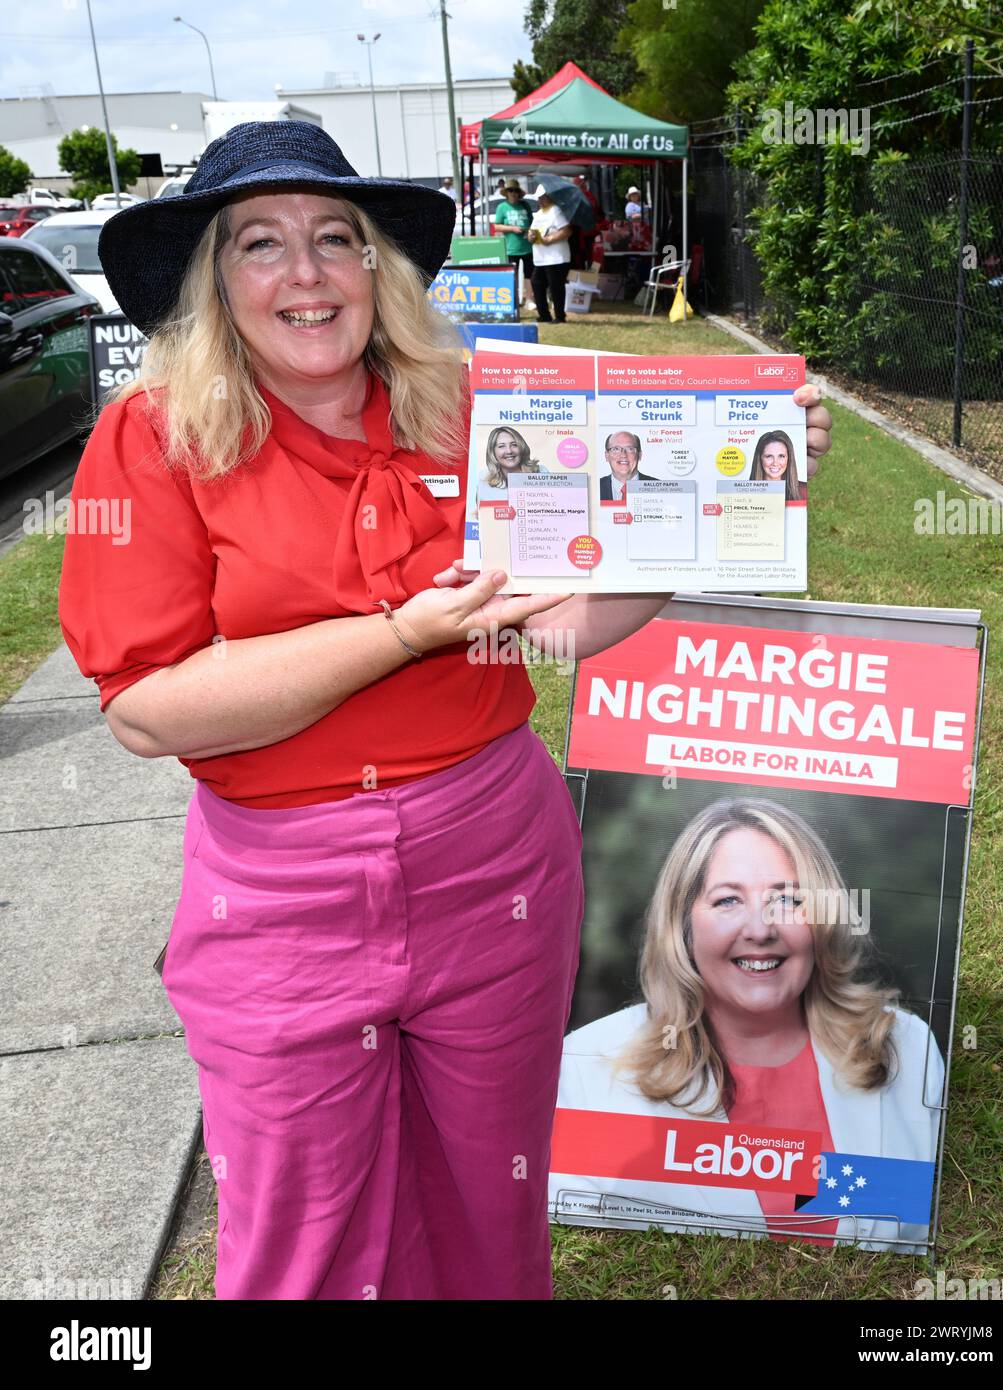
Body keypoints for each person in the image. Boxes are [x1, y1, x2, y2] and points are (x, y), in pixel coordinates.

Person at [57, 120, 836, 1302]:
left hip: (494, 856)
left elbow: (556, 623)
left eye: (337, 239)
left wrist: (724, 491)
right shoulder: (155, 434)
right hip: (281, 891)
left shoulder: (462, 406)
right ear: (215, 280)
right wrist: (398, 634)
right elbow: (152, 709)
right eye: (259, 243)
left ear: (380, 266)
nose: (305, 273)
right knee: (302, 1235)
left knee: (487, 1193)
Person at [551, 798, 945, 1253]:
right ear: (683, 926)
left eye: (788, 899)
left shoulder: (905, 1047)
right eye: (728, 900)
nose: (760, 929)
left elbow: (924, 1226)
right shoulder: (587, 1065)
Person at [527, 184, 573, 325]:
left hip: (556, 257)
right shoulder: (539, 213)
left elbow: (566, 230)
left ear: (549, 197)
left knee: (556, 286)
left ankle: (560, 316)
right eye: (539, 198)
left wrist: (550, 239)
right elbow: (532, 230)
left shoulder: (556, 211)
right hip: (541, 257)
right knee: (537, 283)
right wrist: (531, 236)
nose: (540, 201)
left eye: (542, 198)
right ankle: (544, 315)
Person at [491, 179, 534, 312]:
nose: (513, 193)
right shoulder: (502, 207)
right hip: (511, 248)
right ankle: (513, 301)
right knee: (512, 276)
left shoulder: (525, 205)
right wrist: (513, 229)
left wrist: (530, 232)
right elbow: (496, 226)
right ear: (506, 193)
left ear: (519, 193)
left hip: (527, 247)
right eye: (510, 190)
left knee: (529, 275)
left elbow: (533, 223)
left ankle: (529, 300)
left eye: (515, 190)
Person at [481, 425, 547, 494]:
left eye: (514, 445)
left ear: (522, 447)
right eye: (501, 446)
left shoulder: (541, 471)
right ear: (492, 452)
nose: (509, 451)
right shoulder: (483, 480)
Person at [750, 429, 806, 501]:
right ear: (760, 458)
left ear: (789, 458)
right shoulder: (744, 492)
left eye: (781, 456)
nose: (775, 463)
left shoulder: (804, 491)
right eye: (769, 456)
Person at [599, 430, 652, 501]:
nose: (623, 455)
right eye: (616, 449)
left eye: (630, 449)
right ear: (607, 456)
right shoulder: (595, 487)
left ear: (639, 455)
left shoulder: (659, 489)